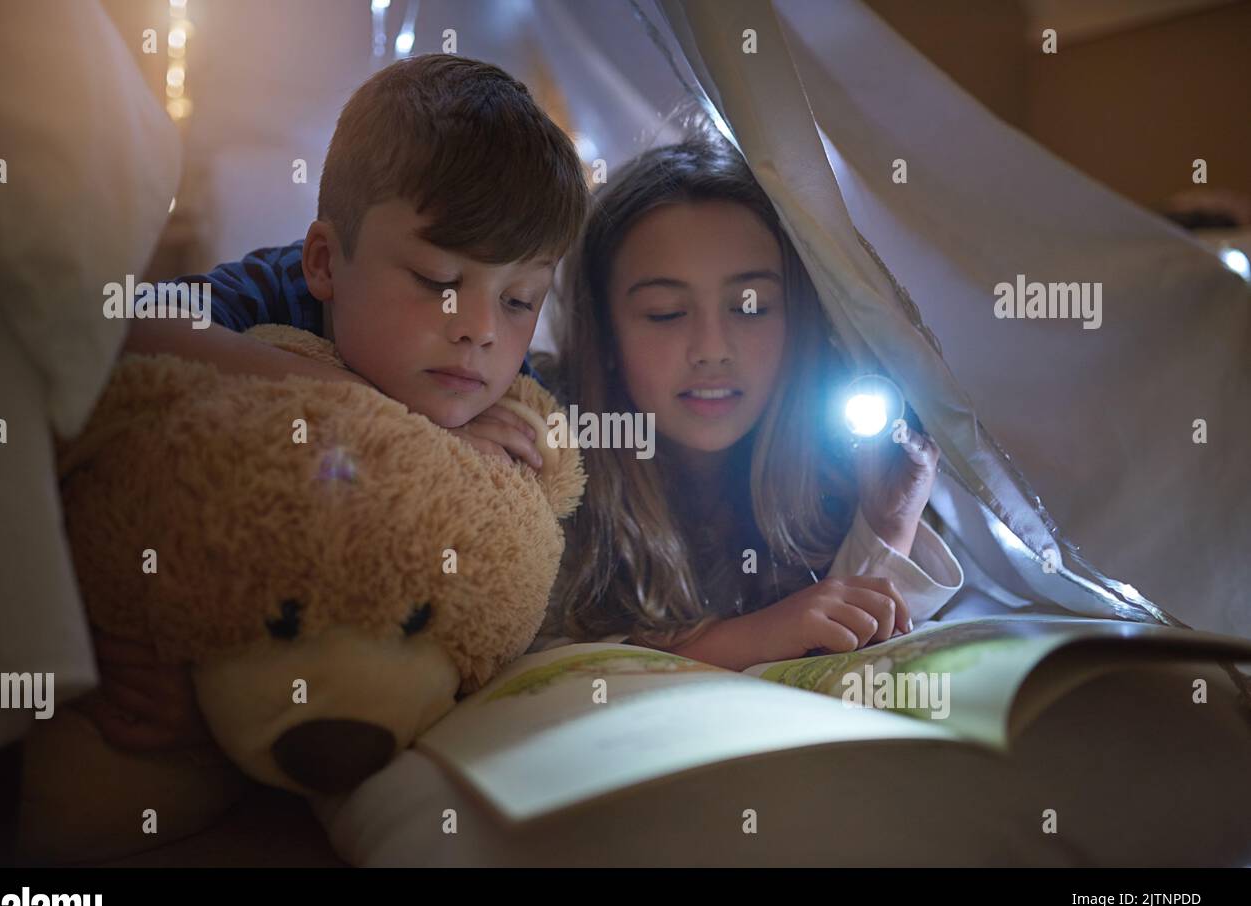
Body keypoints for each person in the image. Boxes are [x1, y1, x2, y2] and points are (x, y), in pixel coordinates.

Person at [80, 54, 590, 750]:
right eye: (439, 279)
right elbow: (127, 335)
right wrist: (368, 408)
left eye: (519, 299)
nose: (481, 328)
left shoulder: (501, 382)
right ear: (324, 261)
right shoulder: (277, 287)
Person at [534, 133, 963, 671]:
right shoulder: (548, 461)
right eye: (666, 312)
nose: (712, 350)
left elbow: (853, 637)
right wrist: (752, 637)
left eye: (752, 307)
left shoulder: (842, 458)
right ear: (606, 333)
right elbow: (538, 666)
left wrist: (887, 523)